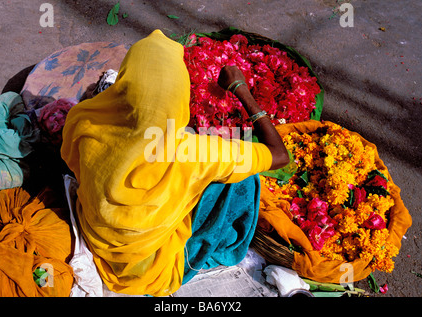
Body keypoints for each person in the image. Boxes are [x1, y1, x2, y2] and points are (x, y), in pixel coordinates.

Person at [61, 29, 289, 296]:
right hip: (150, 268)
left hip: (101, 241)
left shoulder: (85, 120)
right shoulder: (192, 152)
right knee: (244, 179)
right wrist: (241, 90)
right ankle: (217, 244)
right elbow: (279, 156)